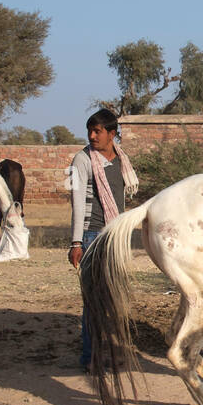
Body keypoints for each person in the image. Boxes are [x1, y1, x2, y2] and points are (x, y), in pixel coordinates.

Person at [69, 109, 139, 370]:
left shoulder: (122, 159)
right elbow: (76, 203)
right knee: (93, 300)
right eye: (90, 130)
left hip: (114, 236)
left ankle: (111, 351)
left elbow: (121, 200)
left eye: (98, 131)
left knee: (113, 298)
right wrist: (76, 243)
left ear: (112, 134)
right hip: (90, 236)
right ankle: (90, 358)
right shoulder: (81, 160)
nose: (92, 135)